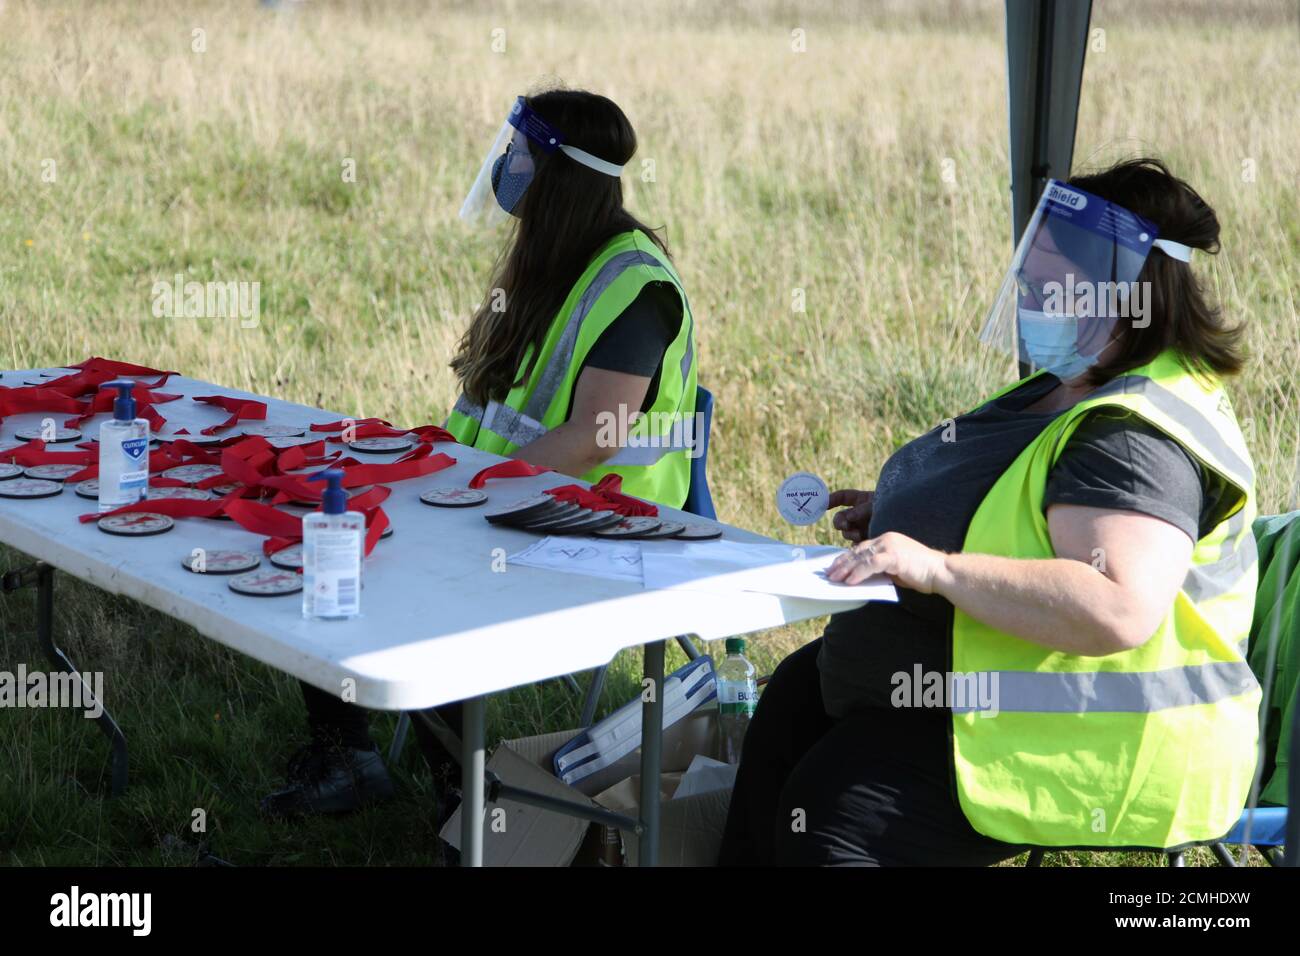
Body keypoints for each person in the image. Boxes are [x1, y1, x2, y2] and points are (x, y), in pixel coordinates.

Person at [719, 157, 1260, 866]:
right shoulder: (1074, 381)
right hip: (971, 686)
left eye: (1046, 283)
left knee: (833, 813)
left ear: (1122, 293)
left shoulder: (1135, 436)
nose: (1028, 295)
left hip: (1078, 738)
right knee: (793, 699)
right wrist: (901, 516)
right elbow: (1029, 504)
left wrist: (936, 566)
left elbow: (1118, 605)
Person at [263, 89, 698, 819]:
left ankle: (458, 796)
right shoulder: (557, 259)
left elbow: (600, 432)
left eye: (523, 154)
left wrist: (467, 492)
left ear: (559, 174)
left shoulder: (636, 286)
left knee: (421, 572)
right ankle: (349, 755)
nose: (507, 165)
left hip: (603, 522)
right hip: (506, 497)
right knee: (328, 530)